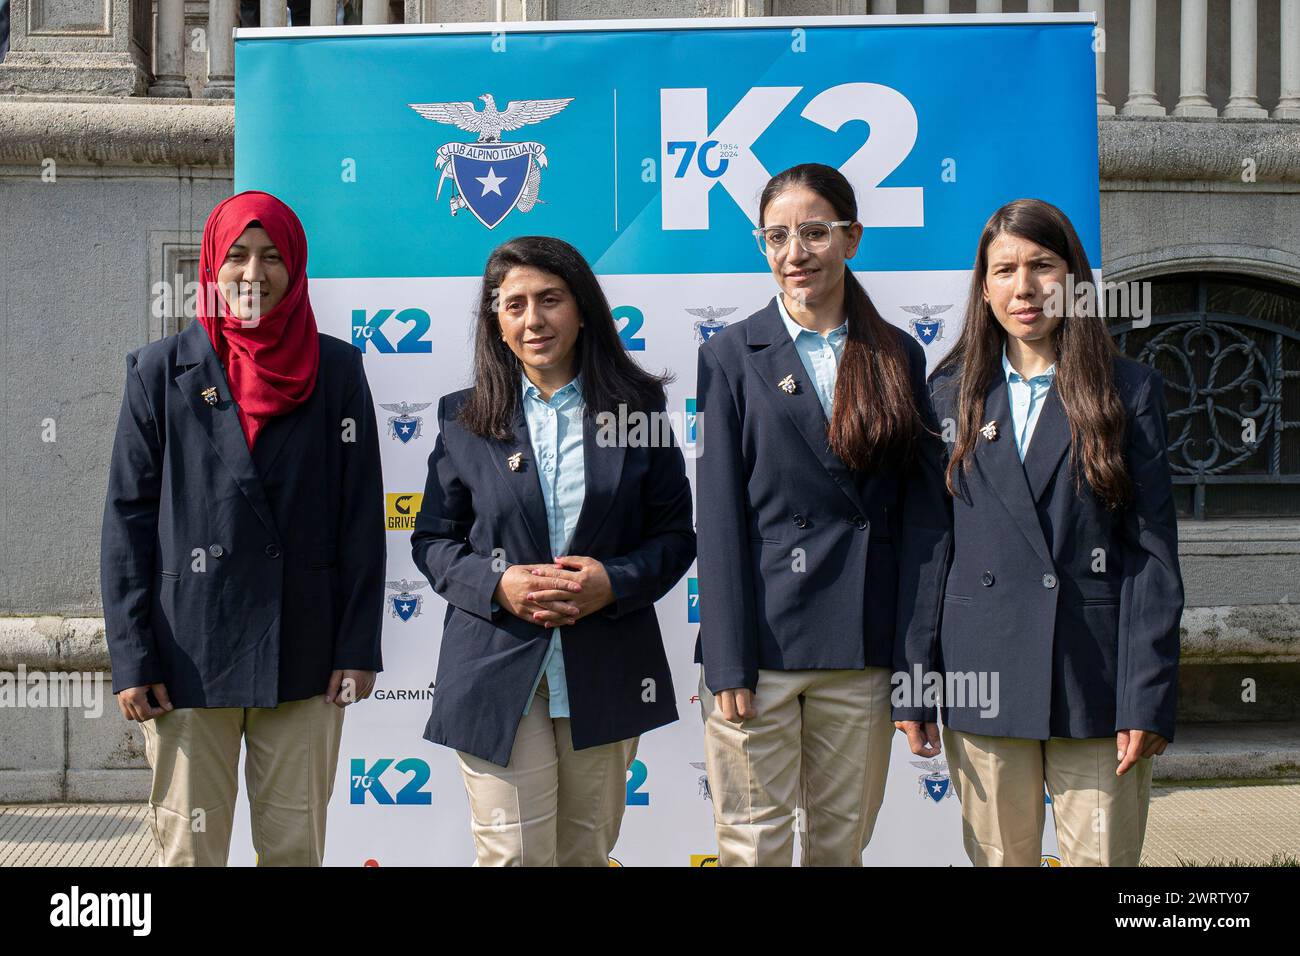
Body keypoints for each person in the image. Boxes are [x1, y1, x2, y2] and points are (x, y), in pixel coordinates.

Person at [894, 198, 1183, 867]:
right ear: (984, 286)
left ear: (1074, 278)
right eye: (1004, 270)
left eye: (1041, 266)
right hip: (981, 677)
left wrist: (1147, 695)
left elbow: (1152, 558)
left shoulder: (1127, 390)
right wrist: (914, 680)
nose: (1023, 287)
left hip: (1097, 681)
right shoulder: (947, 395)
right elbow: (926, 549)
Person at [101, 190, 386, 866]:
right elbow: (128, 519)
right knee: (189, 849)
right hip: (187, 658)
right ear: (210, 265)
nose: (252, 274)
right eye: (235, 256)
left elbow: (359, 517)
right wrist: (132, 656)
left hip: (307, 654)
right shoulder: (158, 372)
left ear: (295, 267)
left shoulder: (339, 370)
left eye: (270, 257)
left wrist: (357, 646)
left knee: (293, 850)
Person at [411, 235, 695, 866]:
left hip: (606, 667)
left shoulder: (636, 411)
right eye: (514, 305)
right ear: (497, 321)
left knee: (585, 855)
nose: (533, 319)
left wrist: (613, 581)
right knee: (513, 856)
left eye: (550, 299)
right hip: (495, 665)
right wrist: (497, 583)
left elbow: (676, 538)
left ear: (582, 308)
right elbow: (432, 541)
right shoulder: (464, 418)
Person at [694, 163, 948, 866]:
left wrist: (913, 669)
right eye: (776, 236)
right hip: (762, 654)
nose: (794, 253)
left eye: (814, 232)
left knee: (840, 849)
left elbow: (924, 524)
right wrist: (727, 661)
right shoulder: (727, 355)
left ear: (853, 237)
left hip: (860, 651)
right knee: (753, 848)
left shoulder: (898, 353)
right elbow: (717, 519)